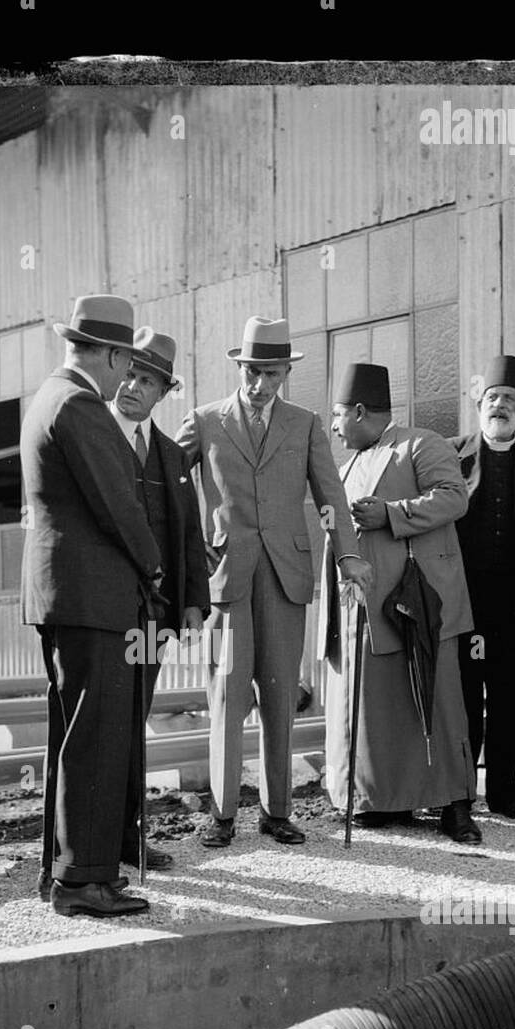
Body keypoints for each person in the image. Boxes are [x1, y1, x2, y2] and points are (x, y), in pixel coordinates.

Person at [175, 316, 371, 848]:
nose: (260, 384)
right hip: (228, 577)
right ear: (240, 367)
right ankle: (221, 816)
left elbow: (331, 495)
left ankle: (276, 811)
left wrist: (349, 555)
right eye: (252, 372)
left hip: (288, 574)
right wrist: (192, 552)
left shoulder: (305, 423)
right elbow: (165, 484)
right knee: (227, 694)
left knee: (281, 696)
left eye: (271, 373)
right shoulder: (204, 420)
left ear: (286, 371)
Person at [20, 294, 164, 916]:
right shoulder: (81, 406)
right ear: (105, 354)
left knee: (73, 735)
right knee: (98, 736)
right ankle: (83, 883)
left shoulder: (49, 397)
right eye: (124, 365)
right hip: (94, 599)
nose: (125, 379)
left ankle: (67, 869)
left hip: (65, 597)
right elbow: (118, 507)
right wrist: (155, 565)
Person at [321, 362, 481, 844]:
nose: (333, 426)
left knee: (439, 703)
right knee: (378, 710)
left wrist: (392, 513)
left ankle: (456, 807)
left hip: (421, 607)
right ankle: (383, 800)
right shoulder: (347, 464)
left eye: (338, 414)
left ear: (362, 410)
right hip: (365, 610)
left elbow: (455, 498)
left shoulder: (419, 444)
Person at [109, 327, 211, 871]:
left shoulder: (172, 456)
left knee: (133, 724)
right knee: (103, 726)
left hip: (152, 618)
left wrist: (193, 601)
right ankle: (92, 843)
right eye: (128, 374)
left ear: (162, 393)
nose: (133, 387)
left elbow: (188, 533)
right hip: (103, 614)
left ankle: (130, 837)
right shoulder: (95, 437)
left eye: (147, 381)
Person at [451, 355, 515, 820]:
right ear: (479, 404)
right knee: (467, 698)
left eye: (509, 400)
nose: (500, 406)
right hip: (466, 607)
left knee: (507, 698)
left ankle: (505, 794)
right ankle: (460, 792)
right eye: (492, 398)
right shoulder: (452, 455)